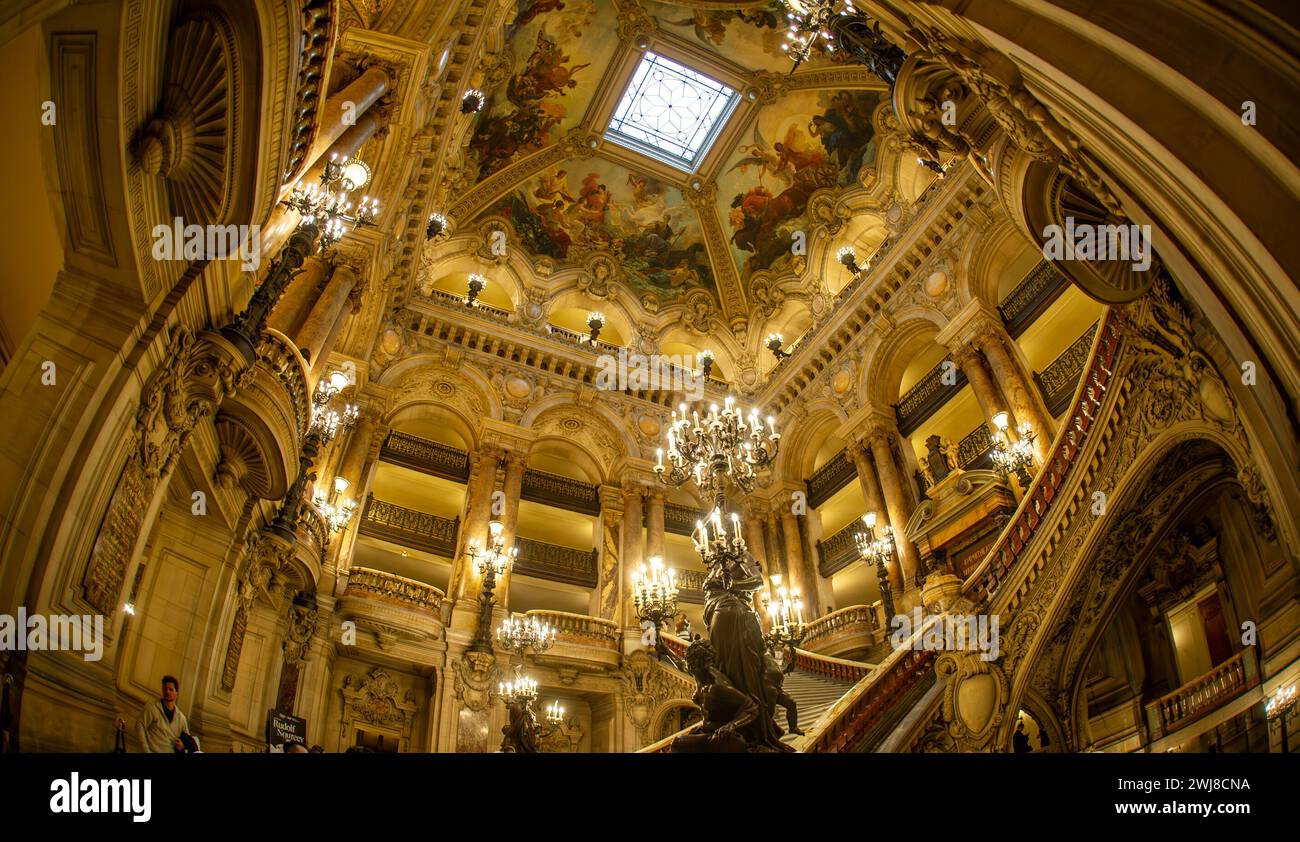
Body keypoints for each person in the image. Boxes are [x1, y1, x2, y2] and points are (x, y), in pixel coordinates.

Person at [136, 675, 198, 753]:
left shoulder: (181, 718)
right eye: (165, 688)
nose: (167, 691)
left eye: (171, 689)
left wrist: (183, 746)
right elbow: (140, 725)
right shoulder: (152, 707)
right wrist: (146, 750)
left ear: (176, 693)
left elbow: (189, 740)